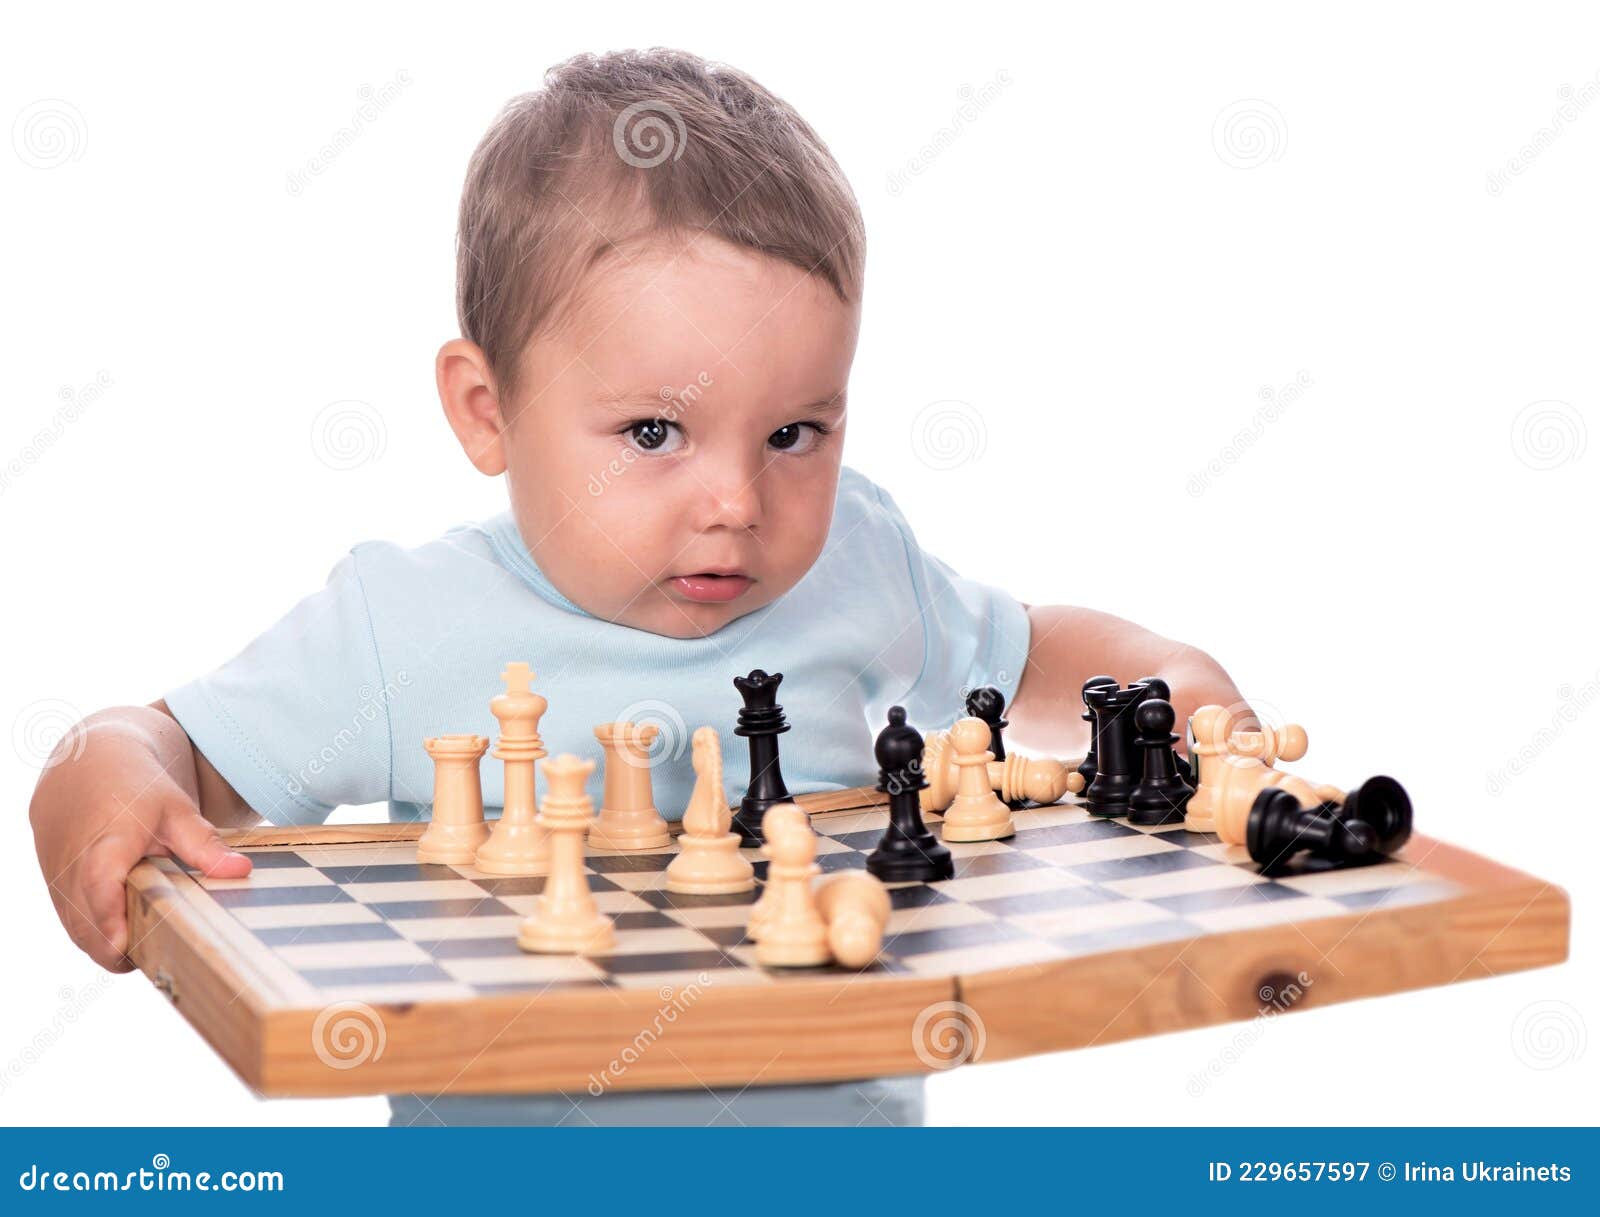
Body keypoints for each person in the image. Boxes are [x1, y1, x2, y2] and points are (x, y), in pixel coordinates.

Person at [29, 48, 1247, 1126]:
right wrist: (101, 780)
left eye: (795, 433)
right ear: (487, 409)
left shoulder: (858, 560)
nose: (736, 501)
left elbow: (1032, 654)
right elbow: (165, 749)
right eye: (655, 431)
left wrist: (1165, 684)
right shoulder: (399, 628)